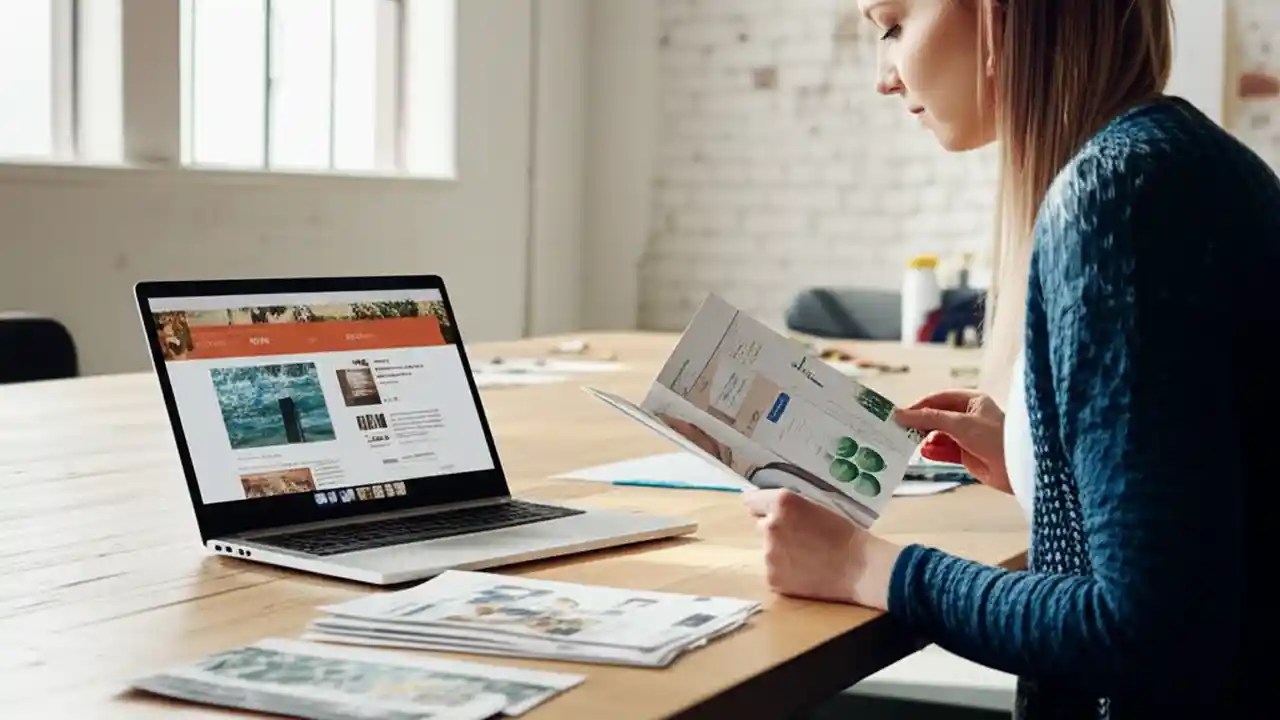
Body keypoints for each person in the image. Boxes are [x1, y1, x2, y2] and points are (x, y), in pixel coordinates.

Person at [743, 0, 1277, 716]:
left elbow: (1146, 631)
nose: (884, 76)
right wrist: (1040, 458)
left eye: (893, 25)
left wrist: (862, 566)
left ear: (1000, 14)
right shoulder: (1181, 159)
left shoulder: (1117, 197)